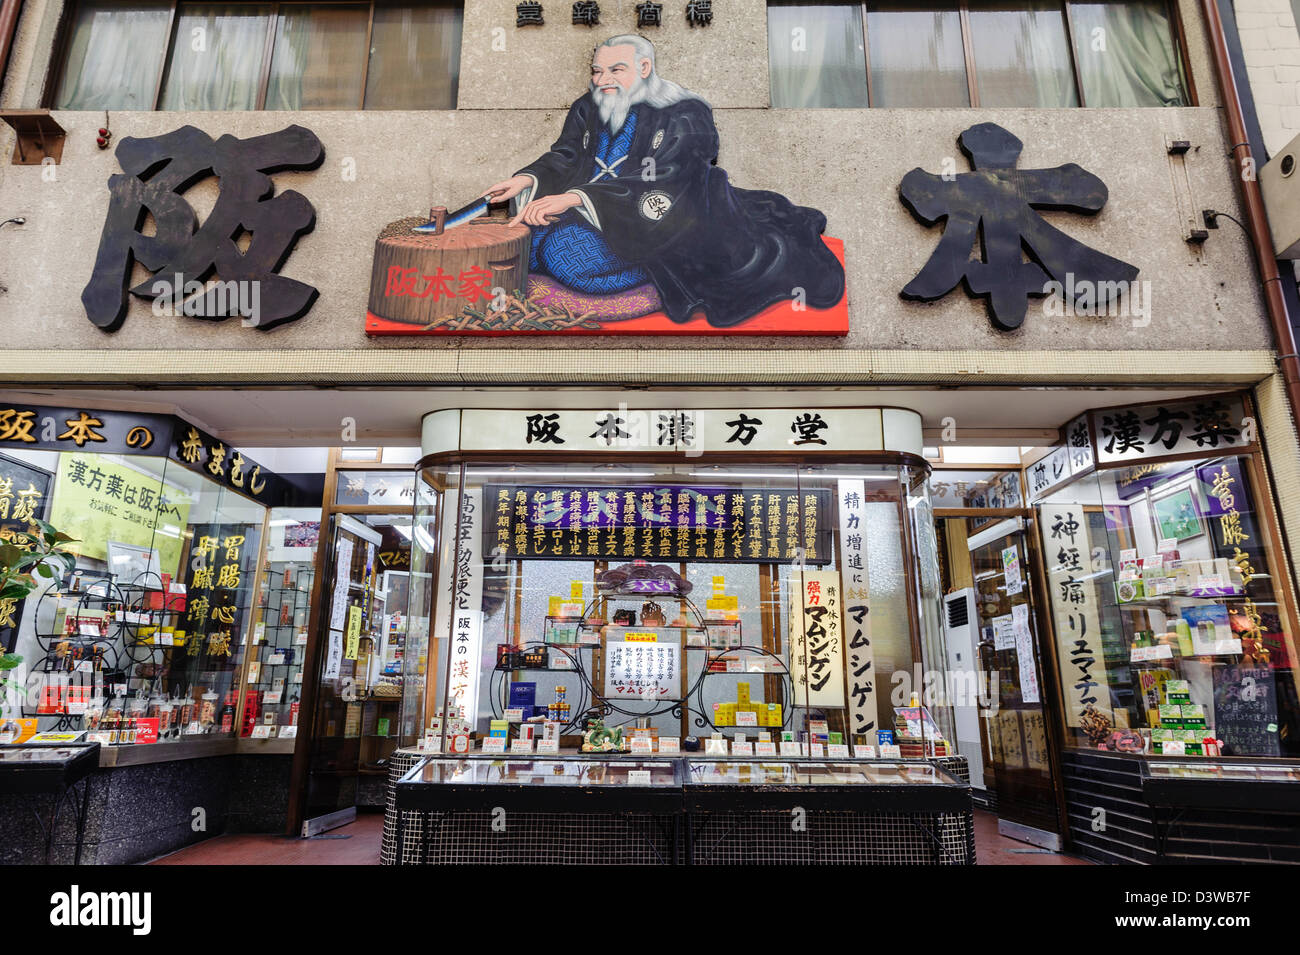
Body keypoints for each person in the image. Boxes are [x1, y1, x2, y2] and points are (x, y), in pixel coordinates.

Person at [480, 34, 844, 328]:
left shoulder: (685, 112)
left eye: (615, 70)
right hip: (590, 210)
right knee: (529, 245)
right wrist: (526, 179)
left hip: (665, 217)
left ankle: (666, 277)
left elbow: (673, 176)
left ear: (644, 67)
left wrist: (575, 198)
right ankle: (656, 269)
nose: (602, 80)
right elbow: (567, 155)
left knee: (565, 258)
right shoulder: (588, 107)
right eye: (597, 71)